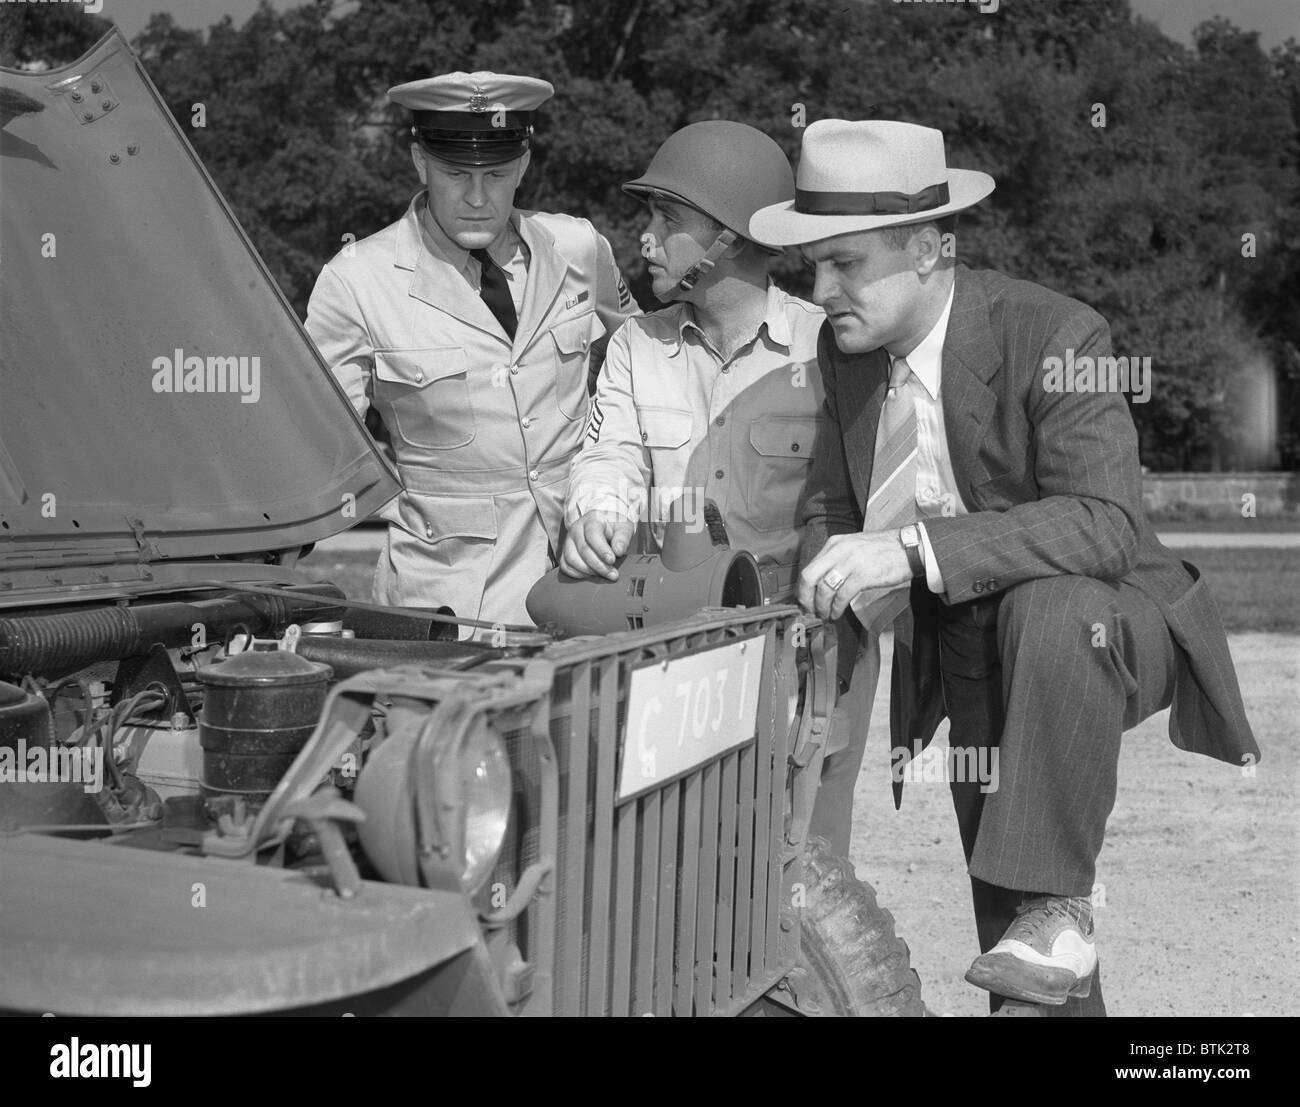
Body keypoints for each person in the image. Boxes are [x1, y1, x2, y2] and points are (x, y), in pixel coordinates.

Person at [750, 119, 1260, 1015]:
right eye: (813, 265)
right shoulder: (846, 351)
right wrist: (817, 592)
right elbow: (834, 508)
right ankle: (1052, 924)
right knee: (1022, 945)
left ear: (930, 249)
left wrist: (909, 550)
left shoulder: (1059, 331)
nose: (820, 289)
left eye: (845, 263)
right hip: (972, 636)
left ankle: (1057, 907)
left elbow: (1104, 524)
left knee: (1054, 607)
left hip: (1104, 622)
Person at [306, 71, 638, 636]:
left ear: (525, 166)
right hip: (448, 605)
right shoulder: (357, 282)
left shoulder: (581, 248)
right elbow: (313, 442)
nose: (479, 197)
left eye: (498, 173)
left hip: (591, 581)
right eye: (456, 173)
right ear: (420, 162)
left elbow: (638, 364)